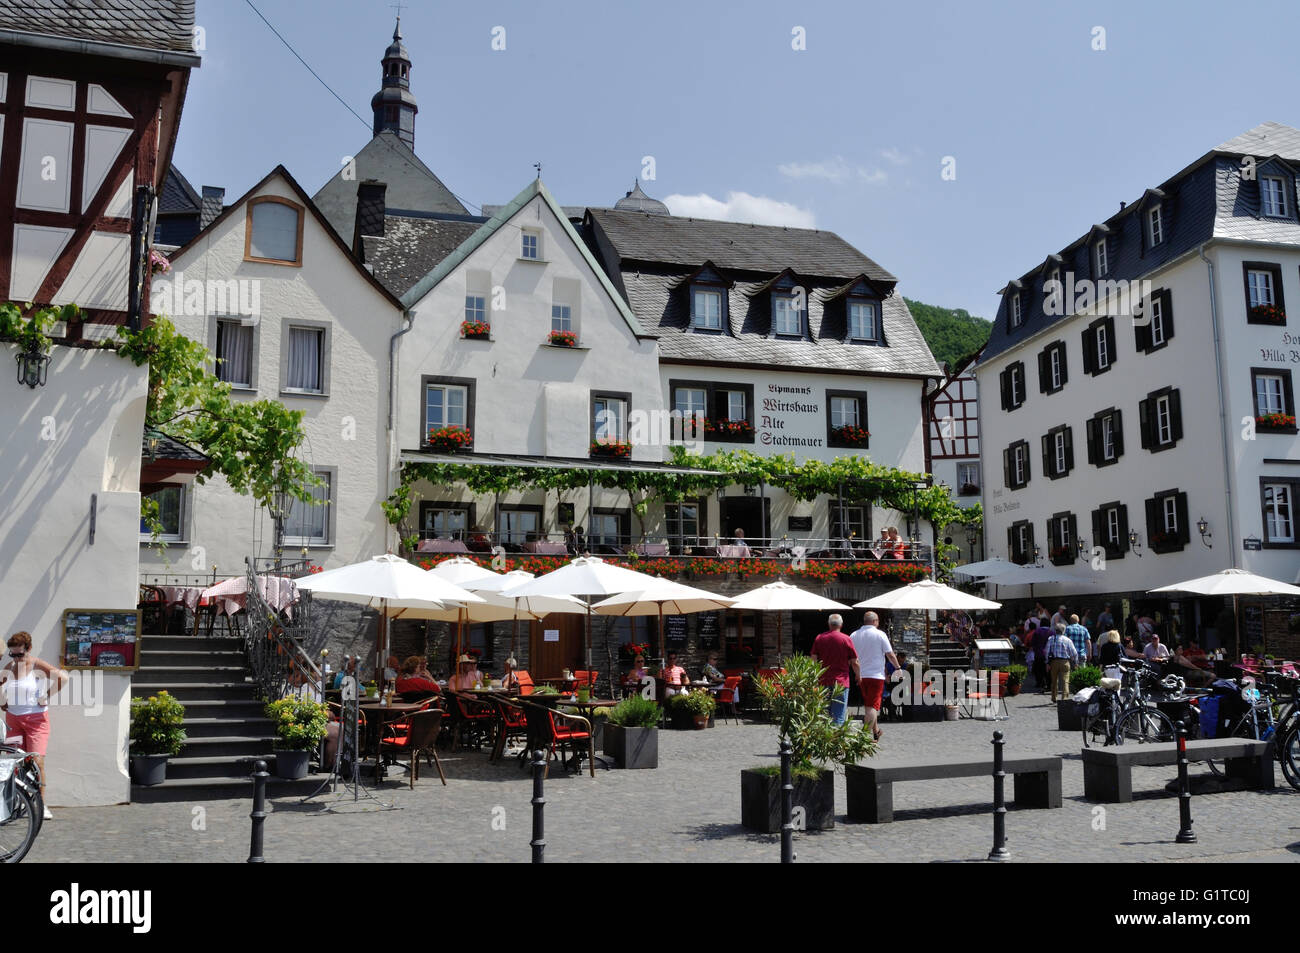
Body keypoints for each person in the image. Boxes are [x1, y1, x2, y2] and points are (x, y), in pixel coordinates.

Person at [2, 631, 65, 820]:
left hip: (36, 720)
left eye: (19, 654)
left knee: (37, 761)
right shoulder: (9, 667)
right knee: (16, 763)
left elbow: (63, 677)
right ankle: (18, 803)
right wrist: (2, 702)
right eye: (12, 654)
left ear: (28, 649)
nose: (15, 658)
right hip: (13, 720)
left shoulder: (37, 665)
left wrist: (46, 695)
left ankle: (41, 804)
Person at [849, 611, 899, 741]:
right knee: (872, 707)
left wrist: (856, 673)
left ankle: (875, 732)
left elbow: (851, 658)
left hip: (861, 675)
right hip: (876, 676)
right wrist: (898, 668)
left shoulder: (854, 635)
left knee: (869, 706)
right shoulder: (880, 634)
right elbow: (890, 654)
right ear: (875, 621)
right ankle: (863, 737)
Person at [811, 613, 859, 726]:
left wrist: (813, 675)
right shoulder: (846, 639)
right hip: (841, 681)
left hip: (823, 680)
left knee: (824, 715)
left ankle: (825, 740)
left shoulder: (819, 638)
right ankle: (836, 741)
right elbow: (854, 662)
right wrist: (858, 676)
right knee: (838, 716)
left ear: (829, 624)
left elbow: (813, 659)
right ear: (841, 625)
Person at [1045, 622, 1079, 702]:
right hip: (1065, 662)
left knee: (1054, 681)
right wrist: (1076, 662)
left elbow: (1047, 652)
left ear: (1055, 630)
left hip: (1054, 662)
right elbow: (1074, 653)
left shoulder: (1051, 639)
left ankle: (1054, 697)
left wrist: (1047, 662)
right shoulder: (1068, 640)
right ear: (1064, 631)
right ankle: (1064, 698)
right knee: (1065, 681)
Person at [1031, 622, 1052, 692]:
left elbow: (1033, 642)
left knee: (1038, 669)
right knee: (1048, 670)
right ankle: (1048, 684)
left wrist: (1034, 649)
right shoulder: (1051, 631)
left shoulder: (1037, 631)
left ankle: (1040, 683)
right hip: (1049, 653)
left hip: (1038, 652)